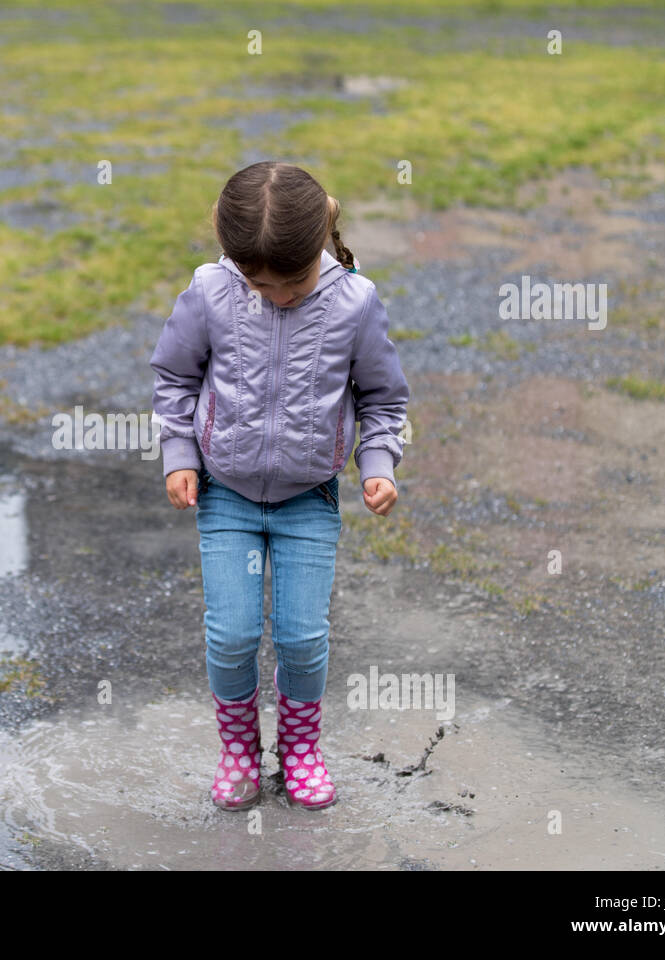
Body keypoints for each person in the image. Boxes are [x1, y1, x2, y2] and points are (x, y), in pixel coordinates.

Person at [149, 161, 410, 810]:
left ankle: (300, 750)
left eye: (289, 285)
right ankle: (238, 749)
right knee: (232, 632)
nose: (276, 297)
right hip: (226, 494)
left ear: (318, 246)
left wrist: (376, 466)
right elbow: (175, 378)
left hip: (308, 500)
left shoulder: (354, 301)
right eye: (258, 284)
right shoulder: (212, 290)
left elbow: (382, 397)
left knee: (301, 636)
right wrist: (180, 453)